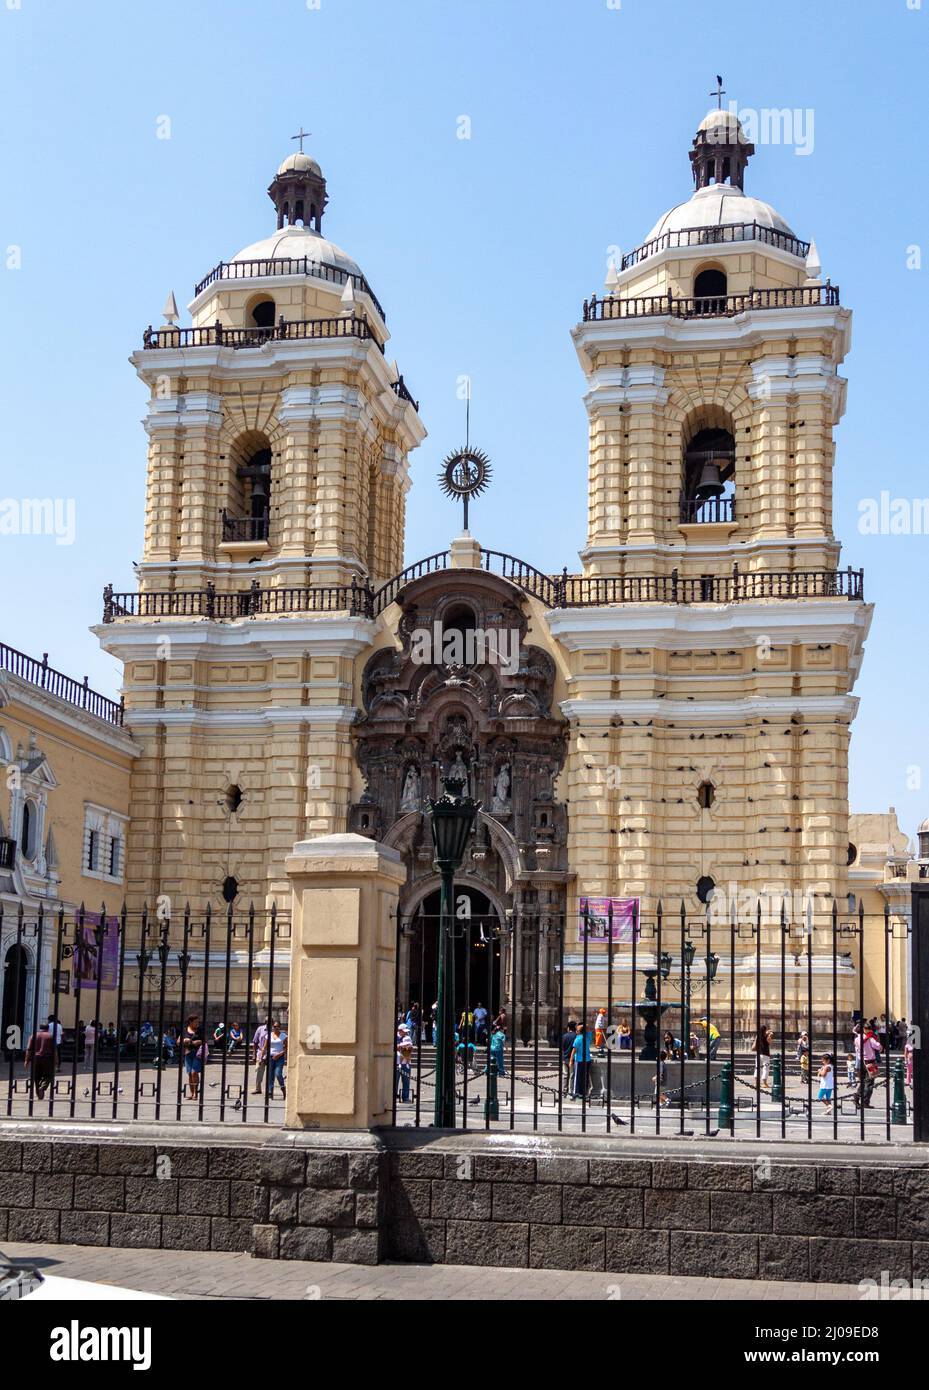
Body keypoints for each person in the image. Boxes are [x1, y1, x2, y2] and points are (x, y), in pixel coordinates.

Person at [25, 1019, 56, 1099]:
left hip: (35, 1058)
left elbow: (29, 1049)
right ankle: (42, 1087)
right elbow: (54, 1050)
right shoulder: (50, 1036)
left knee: (36, 1076)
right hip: (47, 1059)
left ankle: (39, 1094)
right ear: (48, 1028)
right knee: (48, 1076)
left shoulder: (33, 1035)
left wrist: (26, 1060)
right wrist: (56, 1060)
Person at [182, 1014, 205, 1101]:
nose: (197, 1023)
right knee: (189, 1074)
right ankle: (191, 1093)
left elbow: (204, 1040)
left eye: (198, 1022)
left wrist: (199, 1041)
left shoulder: (200, 1030)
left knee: (194, 1072)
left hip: (198, 1053)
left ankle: (196, 1093)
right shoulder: (185, 1030)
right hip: (188, 1053)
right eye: (195, 1022)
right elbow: (181, 1040)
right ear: (190, 1022)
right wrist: (185, 1041)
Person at [571, 1018, 593, 1100]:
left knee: (577, 1077)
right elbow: (589, 1028)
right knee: (585, 1077)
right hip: (587, 1060)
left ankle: (576, 1093)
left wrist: (570, 1060)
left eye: (577, 1029)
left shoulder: (578, 1038)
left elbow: (574, 1050)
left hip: (579, 1060)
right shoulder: (587, 1036)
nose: (576, 1031)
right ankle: (584, 1093)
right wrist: (583, 1026)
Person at [265, 1020, 287, 1099]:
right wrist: (261, 1056)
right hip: (271, 1057)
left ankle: (283, 1088)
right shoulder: (269, 1035)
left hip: (279, 1058)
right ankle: (270, 1092)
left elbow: (286, 1048)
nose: (276, 1028)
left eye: (277, 1026)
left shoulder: (283, 1036)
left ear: (280, 1027)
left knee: (278, 1073)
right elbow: (265, 1047)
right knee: (270, 1076)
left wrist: (279, 1054)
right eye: (274, 1026)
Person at [252, 1020, 270, 1094]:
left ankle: (269, 1089)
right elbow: (255, 1042)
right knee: (259, 1071)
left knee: (270, 1072)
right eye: (268, 1022)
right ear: (265, 1022)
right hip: (260, 1053)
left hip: (270, 1053)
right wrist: (253, 1054)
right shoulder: (260, 1029)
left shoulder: (274, 1029)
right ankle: (258, 1088)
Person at [752, 1025, 772, 1089]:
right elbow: (770, 1042)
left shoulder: (758, 1036)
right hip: (765, 1055)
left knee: (757, 1068)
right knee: (765, 1068)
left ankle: (756, 1083)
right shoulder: (767, 1036)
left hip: (758, 1054)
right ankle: (765, 1083)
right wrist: (770, 1036)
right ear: (765, 1030)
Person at [561, 1020, 577, 1095]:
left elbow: (562, 1048)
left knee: (565, 1075)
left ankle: (564, 1089)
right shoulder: (576, 1036)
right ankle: (571, 1090)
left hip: (565, 1058)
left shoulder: (564, 1036)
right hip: (572, 1058)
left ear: (568, 1028)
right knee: (571, 1075)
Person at [396, 1033, 413, 1102]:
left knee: (406, 1082)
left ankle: (405, 1097)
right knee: (395, 1082)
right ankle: (394, 1097)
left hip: (406, 1065)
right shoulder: (398, 1043)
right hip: (398, 1065)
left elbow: (408, 1056)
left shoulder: (408, 1046)